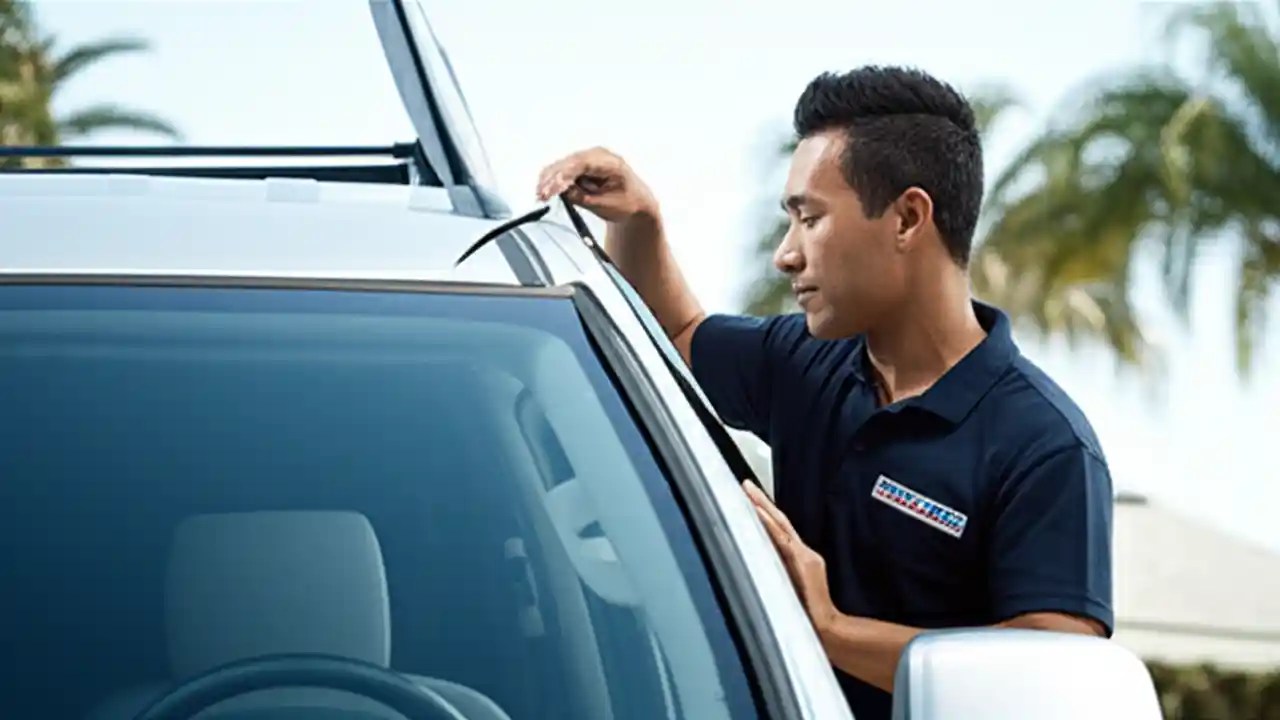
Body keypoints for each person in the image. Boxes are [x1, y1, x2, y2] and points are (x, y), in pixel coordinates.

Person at [535, 65, 1114, 720]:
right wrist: (642, 220)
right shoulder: (807, 363)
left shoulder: (1043, 445)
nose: (786, 254)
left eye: (809, 218)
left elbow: (1056, 678)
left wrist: (829, 630)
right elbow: (671, 337)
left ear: (907, 217)